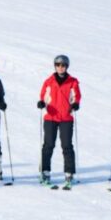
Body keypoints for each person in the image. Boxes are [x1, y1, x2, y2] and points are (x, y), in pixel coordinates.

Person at [37, 55, 81, 188]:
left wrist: (75, 104)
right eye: (58, 65)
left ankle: (69, 173)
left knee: (67, 145)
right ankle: (45, 172)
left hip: (66, 117)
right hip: (51, 117)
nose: (60, 67)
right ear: (55, 66)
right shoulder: (49, 81)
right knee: (48, 145)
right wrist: (42, 103)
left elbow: (76, 96)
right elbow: (44, 96)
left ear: (66, 67)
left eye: (63, 65)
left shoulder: (72, 81)